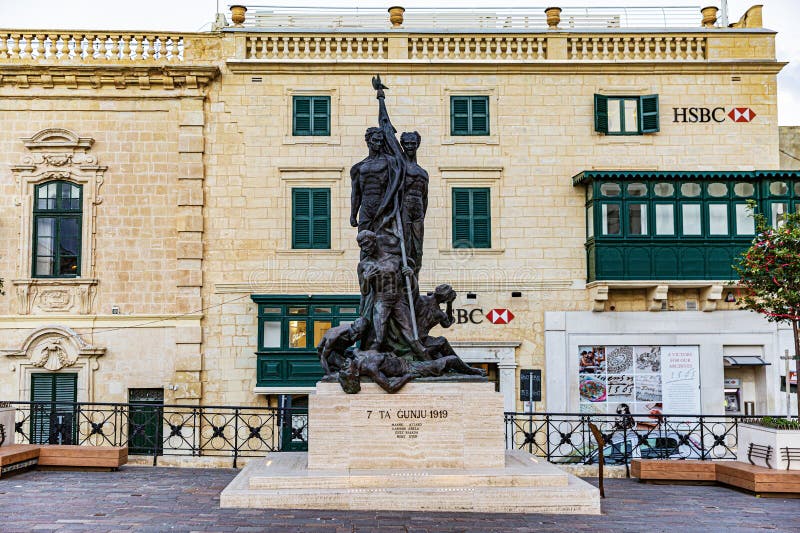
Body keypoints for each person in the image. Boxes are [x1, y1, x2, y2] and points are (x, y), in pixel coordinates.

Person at [356, 230, 419, 354]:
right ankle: (368, 363)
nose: (364, 248)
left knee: (411, 336)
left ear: (374, 241)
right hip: (381, 300)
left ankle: (428, 364)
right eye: (361, 246)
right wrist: (366, 280)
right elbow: (364, 292)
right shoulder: (364, 265)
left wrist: (411, 275)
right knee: (378, 339)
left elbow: (410, 286)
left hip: (399, 299)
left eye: (366, 244)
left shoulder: (396, 259)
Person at [400, 131, 428, 277]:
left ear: (417, 144)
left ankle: (414, 277)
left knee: (418, 249)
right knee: (406, 244)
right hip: (404, 206)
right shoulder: (399, 167)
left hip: (419, 210)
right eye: (407, 144)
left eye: (413, 143)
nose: (410, 146)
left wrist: (423, 214)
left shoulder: (423, 172)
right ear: (402, 145)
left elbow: (425, 197)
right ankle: (404, 276)